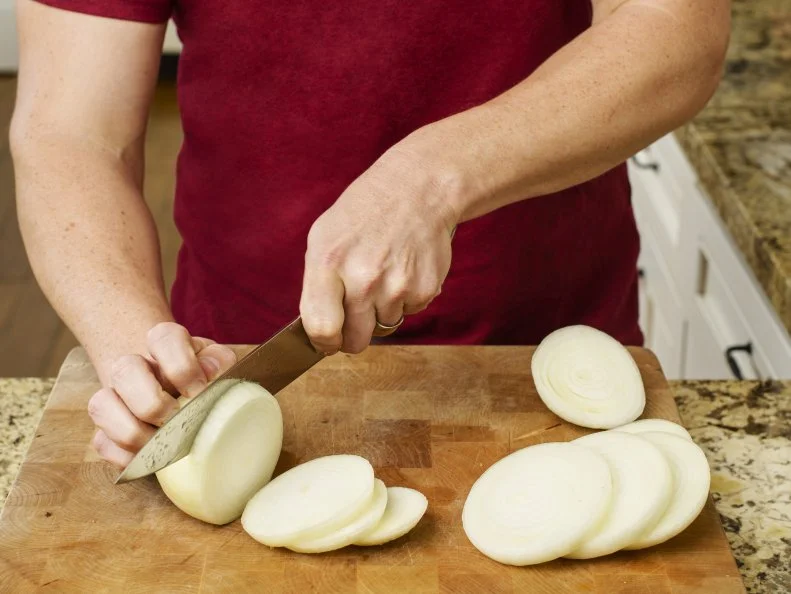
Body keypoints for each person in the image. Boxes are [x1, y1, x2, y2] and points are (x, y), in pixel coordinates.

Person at [11, 0, 730, 467]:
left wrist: (433, 175)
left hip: (555, 369)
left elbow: (675, 33)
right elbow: (69, 133)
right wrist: (136, 349)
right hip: (232, 362)